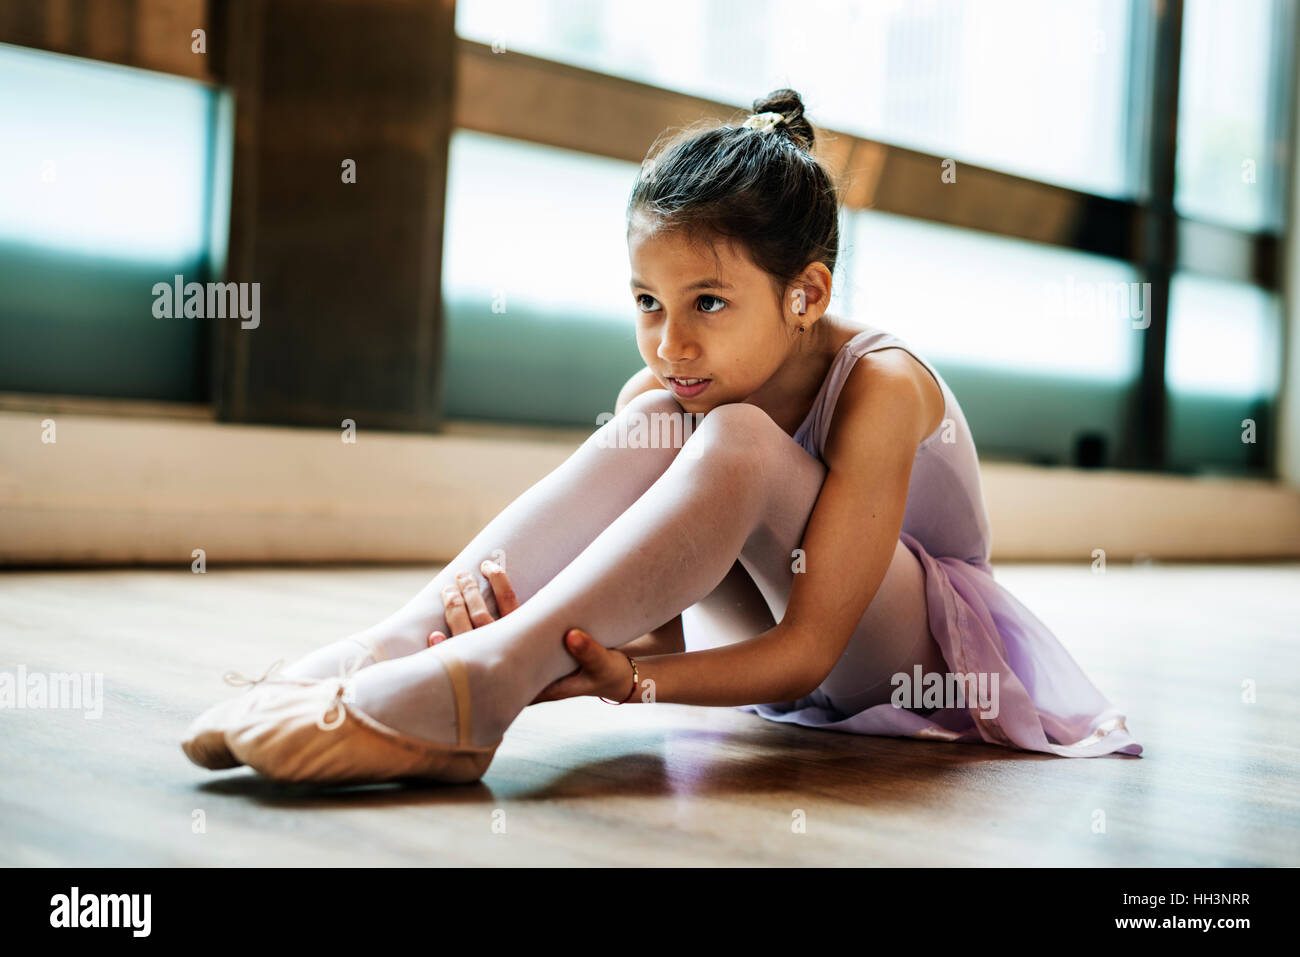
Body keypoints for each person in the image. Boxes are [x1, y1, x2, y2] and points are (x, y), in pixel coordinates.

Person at [182, 89, 1142, 785]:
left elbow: (808, 650)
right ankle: (400, 644)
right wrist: (572, 624)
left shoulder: (882, 384)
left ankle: (483, 686)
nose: (671, 339)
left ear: (806, 294)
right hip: (774, 644)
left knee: (733, 442)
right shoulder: (678, 384)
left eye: (708, 303)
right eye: (648, 301)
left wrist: (630, 681)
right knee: (651, 414)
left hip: (913, 659)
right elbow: (674, 602)